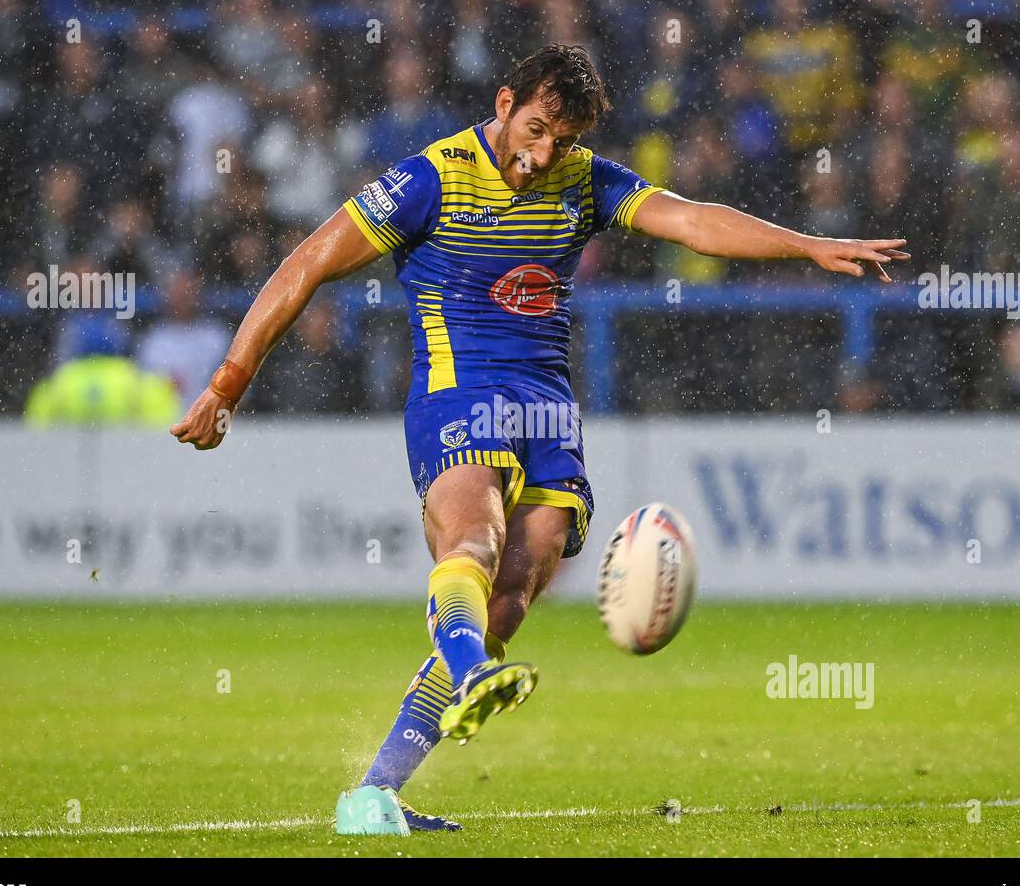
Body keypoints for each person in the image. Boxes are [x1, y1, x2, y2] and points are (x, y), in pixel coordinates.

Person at [170, 44, 907, 831]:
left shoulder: (583, 178)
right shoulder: (433, 176)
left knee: (515, 591)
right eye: (536, 129)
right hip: (460, 388)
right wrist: (227, 384)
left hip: (548, 406)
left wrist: (806, 245)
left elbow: (691, 221)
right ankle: (471, 671)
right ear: (503, 101)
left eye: (562, 138)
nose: (543, 152)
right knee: (473, 544)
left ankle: (374, 793)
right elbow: (308, 263)